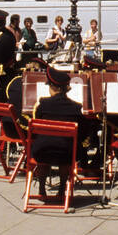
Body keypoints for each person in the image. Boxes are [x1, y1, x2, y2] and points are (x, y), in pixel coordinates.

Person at [28, 64, 87, 203]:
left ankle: (41, 188)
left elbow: (36, 130)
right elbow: (83, 132)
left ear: (52, 87)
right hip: (66, 154)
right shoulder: (76, 108)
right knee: (66, 147)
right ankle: (62, 188)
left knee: (46, 143)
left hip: (41, 152)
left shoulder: (43, 105)